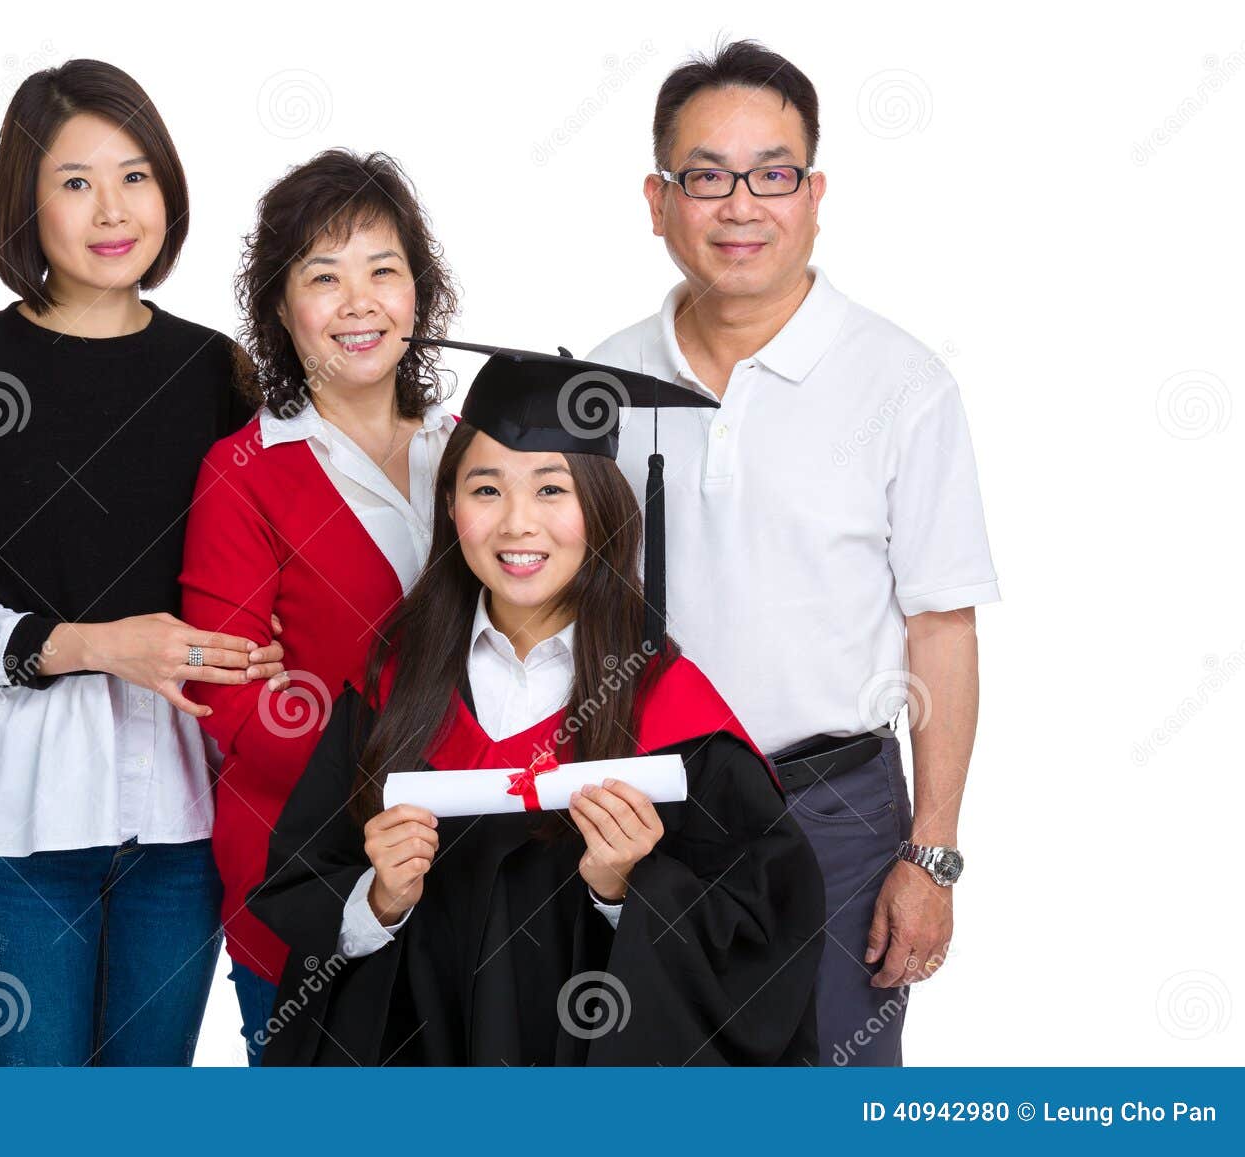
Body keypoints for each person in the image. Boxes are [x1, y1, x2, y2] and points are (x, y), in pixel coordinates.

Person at [588, 40, 1000, 1065]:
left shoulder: (902, 383)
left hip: (838, 808)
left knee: (835, 1097)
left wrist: (932, 854)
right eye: (706, 177)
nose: (740, 206)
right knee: (654, 1089)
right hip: (647, 805)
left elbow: (941, 628)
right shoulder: (599, 383)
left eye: (772, 175)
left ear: (814, 195)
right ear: (657, 201)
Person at [247, 340, 826, 1065]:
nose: (517, 523)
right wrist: (377, 900)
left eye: (552, 490)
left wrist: (631, 891)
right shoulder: (393, 693)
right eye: (486, 489)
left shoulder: (673, 712)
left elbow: (766, 932)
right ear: (450, 505)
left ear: (602, 509)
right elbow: (301, 885)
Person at [0, 59, 285, 1066]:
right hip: (16, 816)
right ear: (25, 204)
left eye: (135, 176)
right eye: (75, 181)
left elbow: (268, 559)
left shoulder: (221, 373)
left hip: (186, 813)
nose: (113, 209)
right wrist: (100, 645)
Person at [178, 150, 460, 1064]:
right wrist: (414, 779)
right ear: (280, 307)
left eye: (383, 270)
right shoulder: (245, 470)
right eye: (323, 276)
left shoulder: (474, 454)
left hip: (469, 871)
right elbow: (229, 697)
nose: (359, 302)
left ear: (419, 293)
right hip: (309, 875)